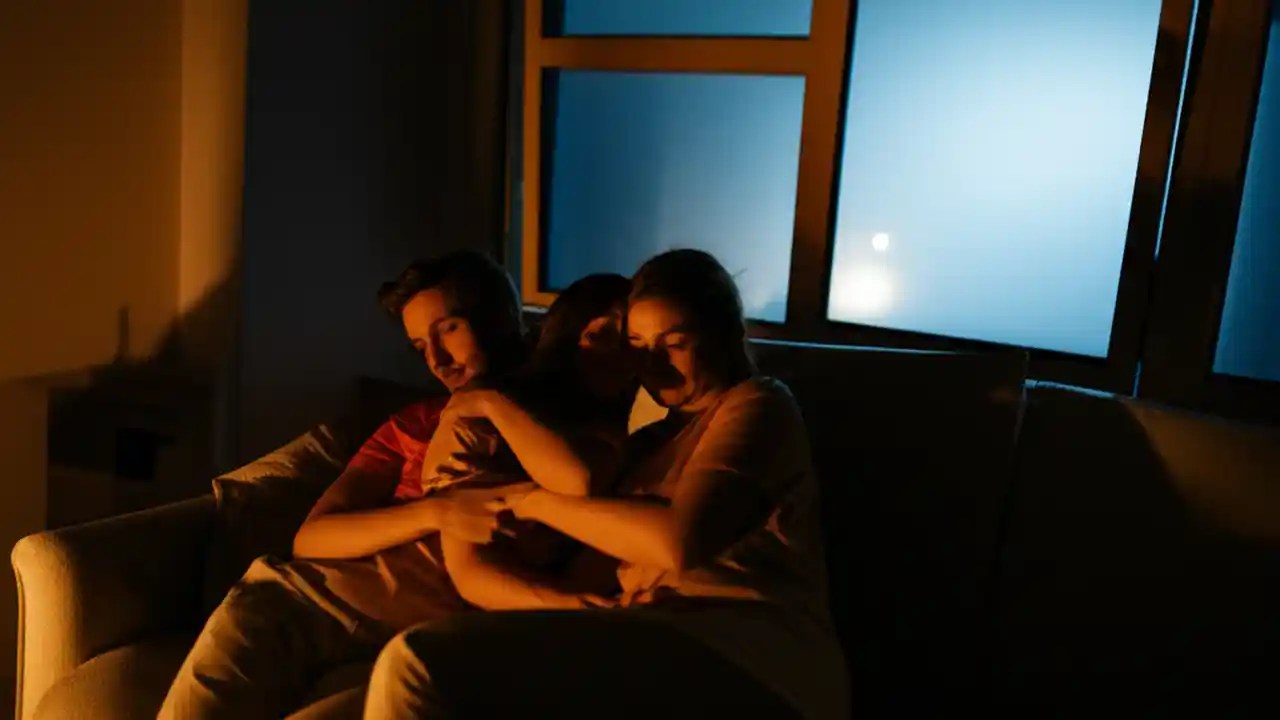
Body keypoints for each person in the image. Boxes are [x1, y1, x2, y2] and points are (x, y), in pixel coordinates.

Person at [364, 249, 850, 719]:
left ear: (724, 333)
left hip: (746, 656)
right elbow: (594, 560)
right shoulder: (646, 443)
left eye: (675, 343)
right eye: (638, 346)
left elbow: (677, 541)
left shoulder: (757, 405)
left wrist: (528, 501)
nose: (653, 364)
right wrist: (557, 601)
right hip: (643, 638)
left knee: (417, 663)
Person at [159, 252, 634, 719]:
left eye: (448, 329)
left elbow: (582, 488)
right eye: (421, 347)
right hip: (301, 608)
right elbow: (312, 538)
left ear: (503, 316)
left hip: (411, 641)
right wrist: (437, 511)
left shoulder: (567, 429)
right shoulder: (418, 423)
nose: (439, 360)